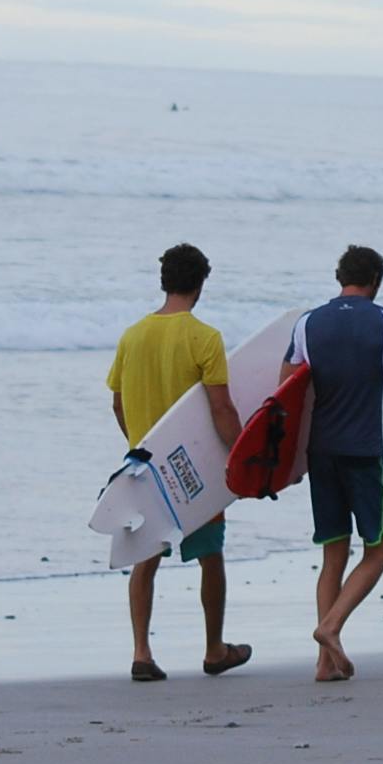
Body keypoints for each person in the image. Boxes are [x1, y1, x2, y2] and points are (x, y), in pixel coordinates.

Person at [290, 244, 383, 683]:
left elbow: (285, 397)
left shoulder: (307, 324)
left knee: (333, 552)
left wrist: (291, 462)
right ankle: (331, 627)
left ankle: (324, 664)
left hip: (320, 453)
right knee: (379, 548)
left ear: (340, 277)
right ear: (375, 281)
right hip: (363, 453)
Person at [104, 242, 250, 682]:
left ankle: (142, 653)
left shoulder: (132, 335)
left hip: (145, 465)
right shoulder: (204, 338)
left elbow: (117, 402)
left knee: (146, 556)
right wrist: (244, 454)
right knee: (211, 556)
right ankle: (213, 650)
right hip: (196, 470)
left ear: (164, 281)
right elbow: (222, 410)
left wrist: (138, 442)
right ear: (200, 284)